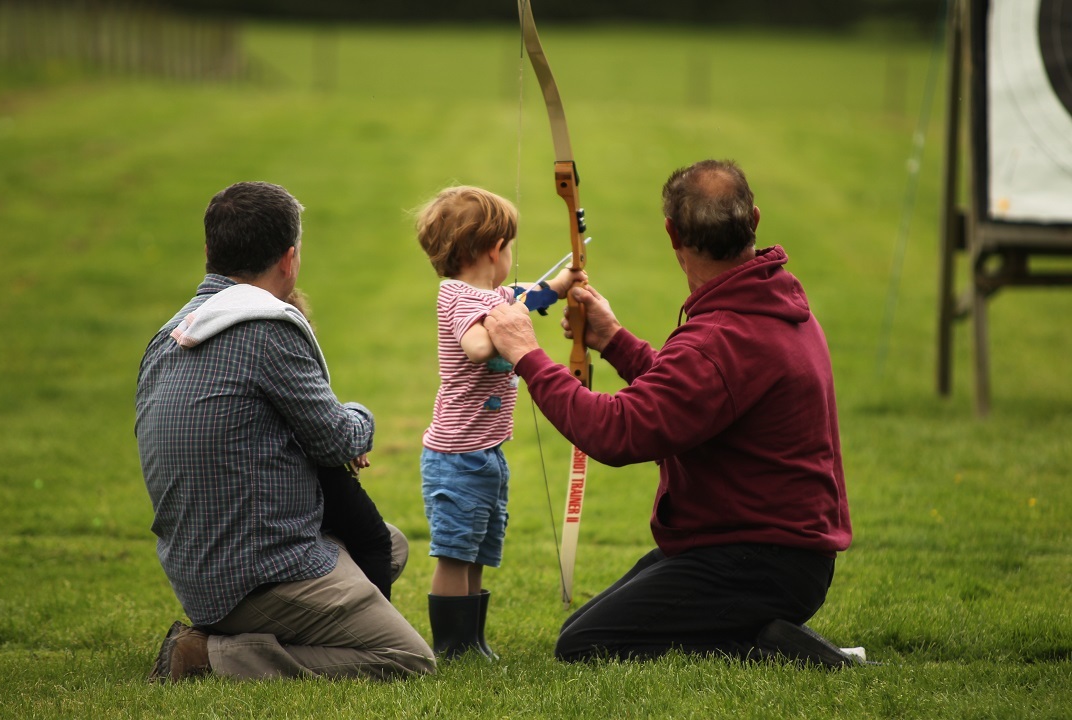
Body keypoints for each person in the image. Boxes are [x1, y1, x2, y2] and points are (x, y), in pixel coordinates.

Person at [483, 159, 858, 667]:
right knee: (582, 629)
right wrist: (615, 342)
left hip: (761, 558)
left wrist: (528, 355)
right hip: (763, 548)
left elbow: (617, 432)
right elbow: (694, 398)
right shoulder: (770, 301)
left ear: (671, 233)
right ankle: (767, 632)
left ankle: (779, 648)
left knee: (586, 645)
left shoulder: (722, 338)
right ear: (755, 220)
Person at [136, 181, 436, 682]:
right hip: (261, 573)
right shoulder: (266, 329)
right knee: (408, 661)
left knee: (392, 545)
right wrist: (362, 415)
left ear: (210, 252)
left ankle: (238, 635)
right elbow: (340, 439)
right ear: (290, 259)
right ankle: (208, 656)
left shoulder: (171, 332)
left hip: (198, 569)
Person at [415, 185, 584, 659]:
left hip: (485, 452)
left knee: (476, 550)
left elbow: (541, 290)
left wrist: (572, 273)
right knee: (454, 550)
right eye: (509, 247)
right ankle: (452, 646)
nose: (511, 257)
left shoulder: (494, 295)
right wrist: (506, 318)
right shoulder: (458, 297)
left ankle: (473, 641)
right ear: (494, 249)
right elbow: (478, 348)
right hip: (456, 455)